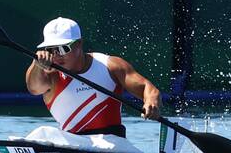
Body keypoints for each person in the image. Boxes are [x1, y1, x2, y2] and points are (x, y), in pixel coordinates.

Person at [24, 16, 162, 139]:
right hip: (73, 143)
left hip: (113, 141)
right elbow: (34, 89)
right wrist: (36, 64)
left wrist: (151, 102)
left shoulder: (110, 65)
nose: (56, 55)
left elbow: (147, 88)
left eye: (62, 49)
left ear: (79, 44)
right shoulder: (49, 74)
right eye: (50, 50)